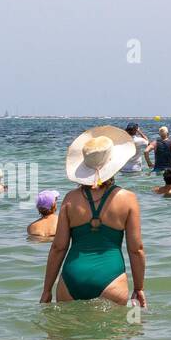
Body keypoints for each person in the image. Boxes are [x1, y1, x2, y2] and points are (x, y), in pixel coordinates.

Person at [41, 125, 146, 306]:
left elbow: (58, 248)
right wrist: (139, 288)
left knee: (66, 332)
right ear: (113, 164)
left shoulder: (70, 199)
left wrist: (46, 291)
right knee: (116, 332)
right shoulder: (128, 199)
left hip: (71, 278)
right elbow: (136, 249)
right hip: (111, 278)